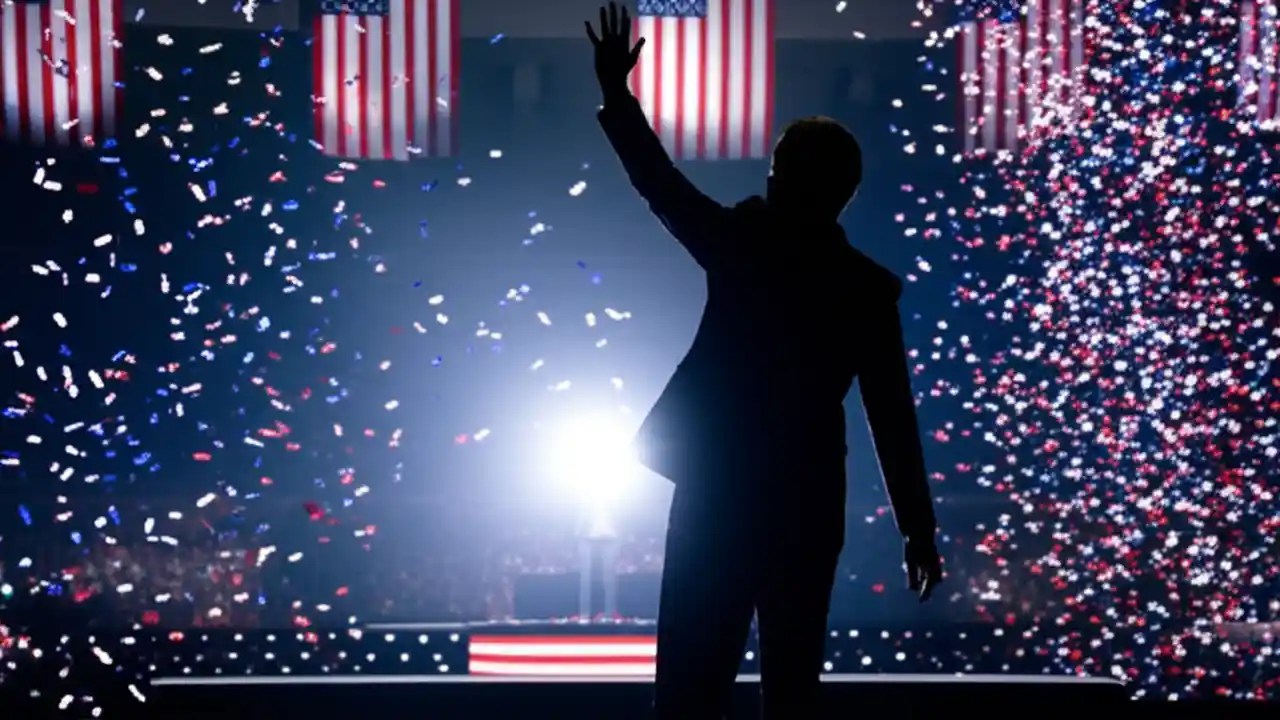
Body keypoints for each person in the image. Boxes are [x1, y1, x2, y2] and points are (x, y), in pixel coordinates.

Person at [585, 4, 944, 718]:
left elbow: (659, 183)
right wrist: (918, 528)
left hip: (716, 490)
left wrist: (618, 96)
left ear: (786, 179)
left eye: (778, 169)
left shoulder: (743, 247)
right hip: (806, 503)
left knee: (689, 688)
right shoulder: (865, 289)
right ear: (844, 194)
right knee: (792, 690)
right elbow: (891, 417)